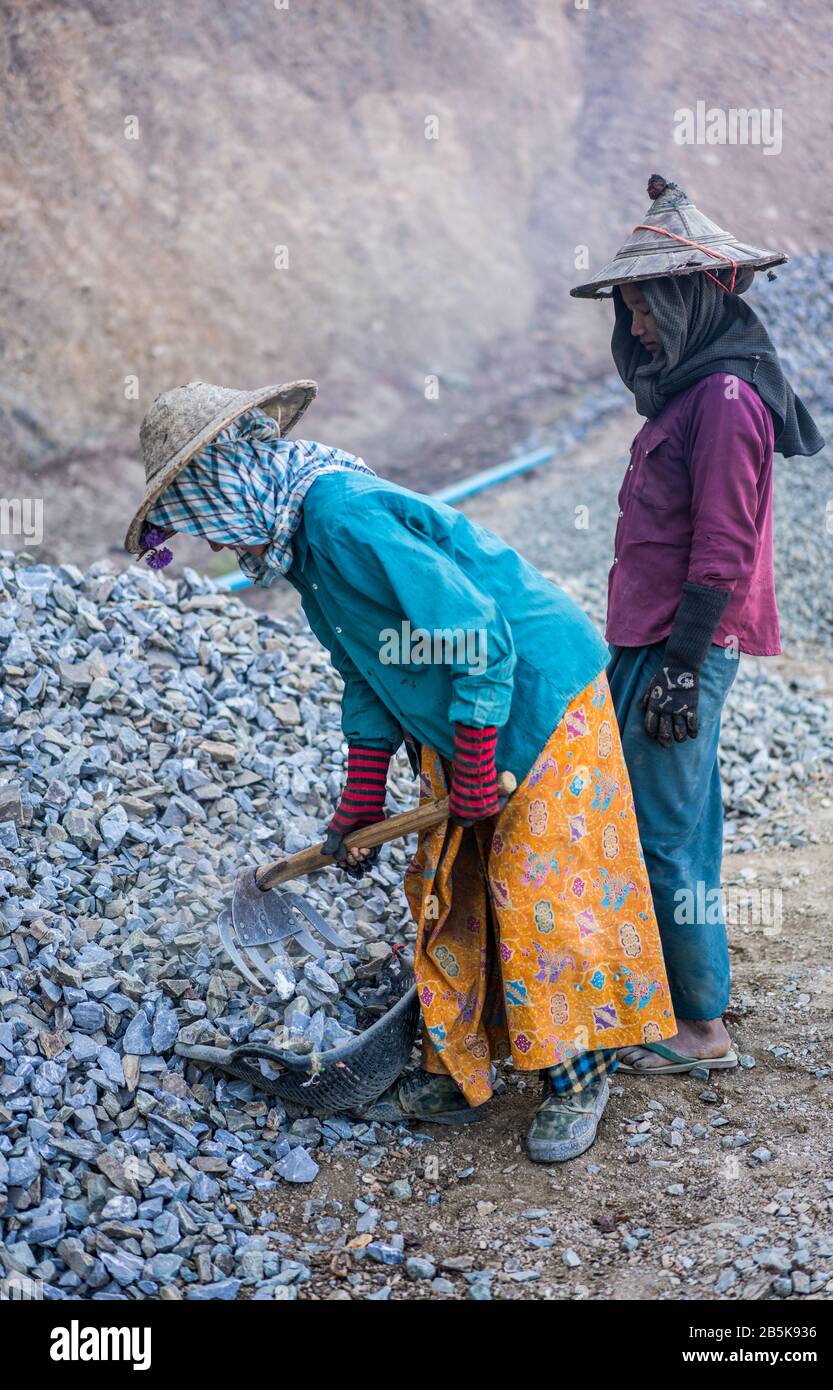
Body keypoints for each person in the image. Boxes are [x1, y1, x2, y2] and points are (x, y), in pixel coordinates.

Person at [124, 379, 675, 1161]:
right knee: (447, 888)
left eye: (195, 521)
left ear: (221, 482)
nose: (207, 544)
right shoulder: (300, 546)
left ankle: (578, 1073)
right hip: (455, 715)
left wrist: (478, 757)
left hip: (536, 692)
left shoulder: (342, 515)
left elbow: (473, 631)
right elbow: (368, 671)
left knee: (538, 887)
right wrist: (360, 796)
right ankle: (463, 1071)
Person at [570, 176, 824, 1074]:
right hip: (652, 640)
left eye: (648, 308)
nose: (637, 328)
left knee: (661, 830)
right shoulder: (693, 392)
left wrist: (679, 668)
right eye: (630, 310)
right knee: (681, 820)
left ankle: (700, 1029)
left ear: (689, 299)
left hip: (682, 645)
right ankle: (690, 994)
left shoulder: (722, 400)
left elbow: (721, 549)